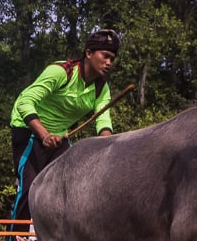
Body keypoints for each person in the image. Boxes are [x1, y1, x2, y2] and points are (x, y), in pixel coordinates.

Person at [8, 28, 121, 223]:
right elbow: (24, 102)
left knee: (70, 187)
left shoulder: (101, 88)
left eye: (113, 58)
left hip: (60, 136)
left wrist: (109, 152)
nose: (109, 62)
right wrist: (44, 135)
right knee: (30, 188)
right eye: (105, 56)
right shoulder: (61, 72)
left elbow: (103, 122)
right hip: (29, 129)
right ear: (88, 53)